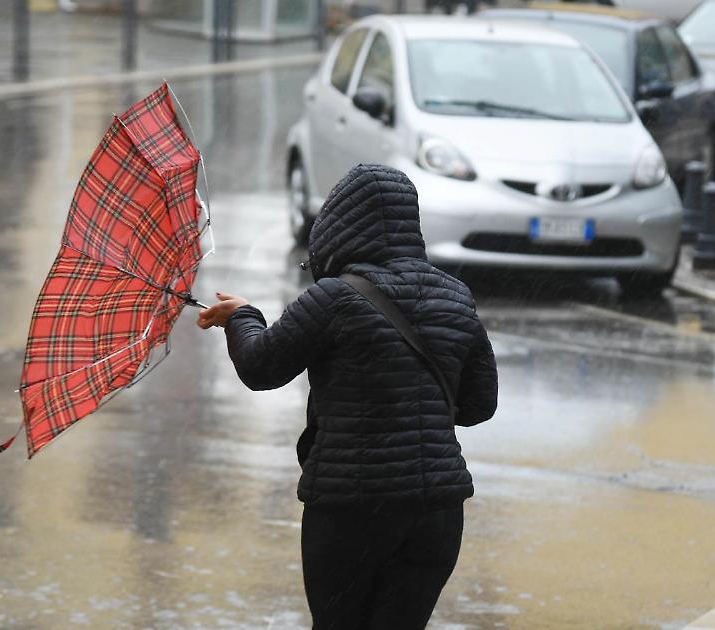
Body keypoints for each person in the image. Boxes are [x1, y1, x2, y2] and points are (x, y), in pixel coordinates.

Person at [197, 164, 498, 629]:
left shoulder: (334, 298)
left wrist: (242, 316)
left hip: (352, 509)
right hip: (437, 511)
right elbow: (479, 405)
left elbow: (260, 367)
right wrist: (414, 409)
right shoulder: (455, 295)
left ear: (338, 224)